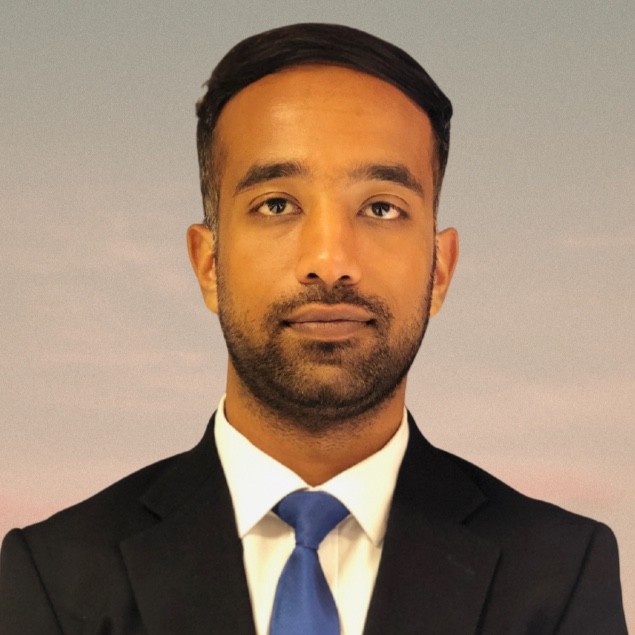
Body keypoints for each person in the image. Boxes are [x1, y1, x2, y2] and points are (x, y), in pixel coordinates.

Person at [0, 23, 627, 635]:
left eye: (381, 207)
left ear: (439, 269)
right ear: (209, 264)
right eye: (277, 204)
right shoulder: (54, 575)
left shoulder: (559, 572)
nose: (330, 261)